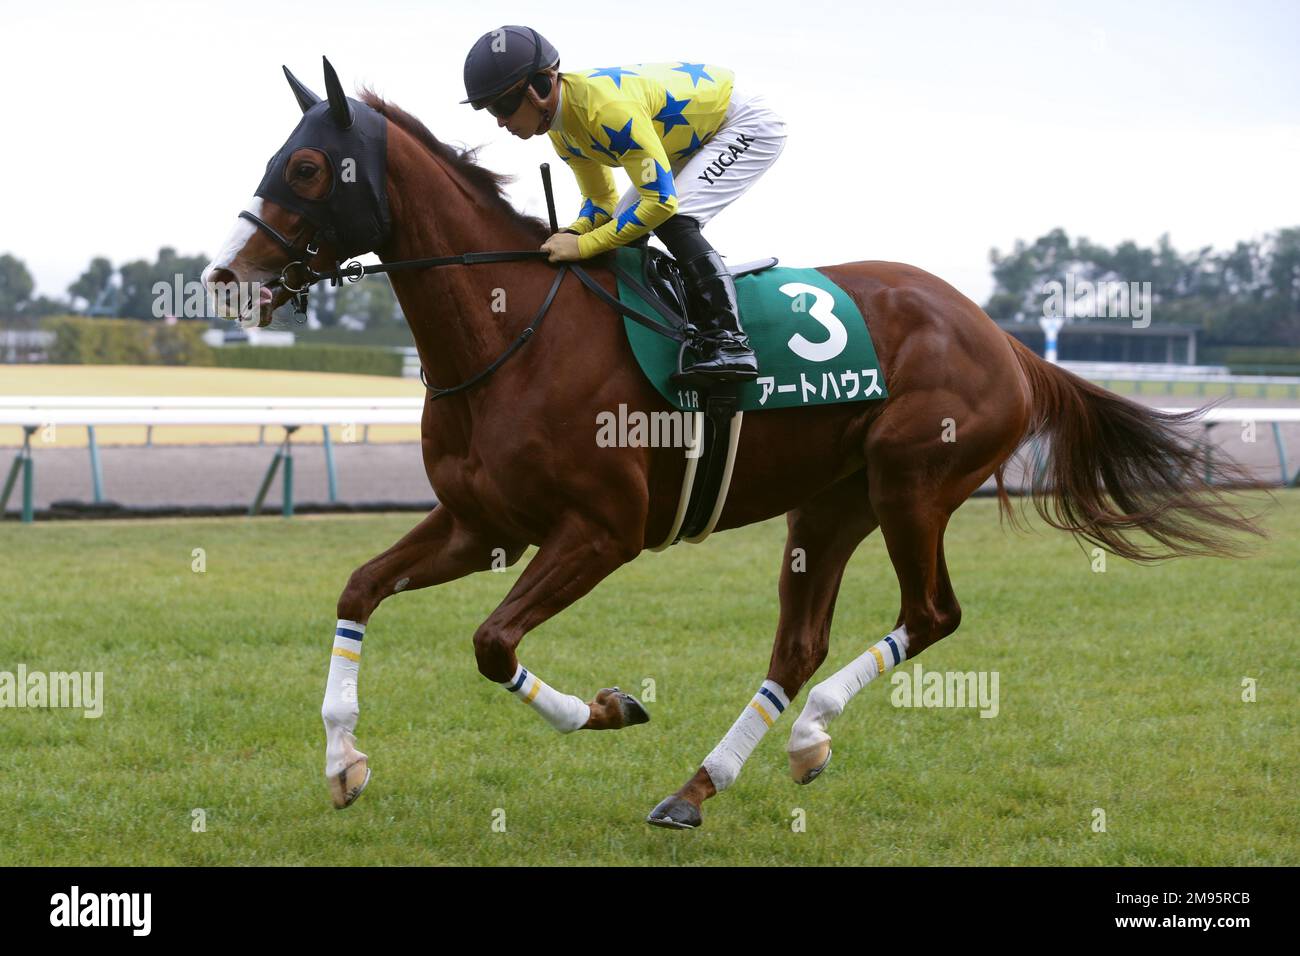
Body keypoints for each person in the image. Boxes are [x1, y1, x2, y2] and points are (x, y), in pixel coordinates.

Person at [461, 25, 787, 384]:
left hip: (742, 124)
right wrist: (573, 231)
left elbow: (660, 204)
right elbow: (601, 201)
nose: (500, 120)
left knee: (673, 218)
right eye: (490, 108)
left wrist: (583, 245)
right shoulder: (560, 127)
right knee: (624, 227)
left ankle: (731, 344)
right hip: (688, 137)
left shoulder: (606, 112)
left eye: (505, 104)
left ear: (542, 85)